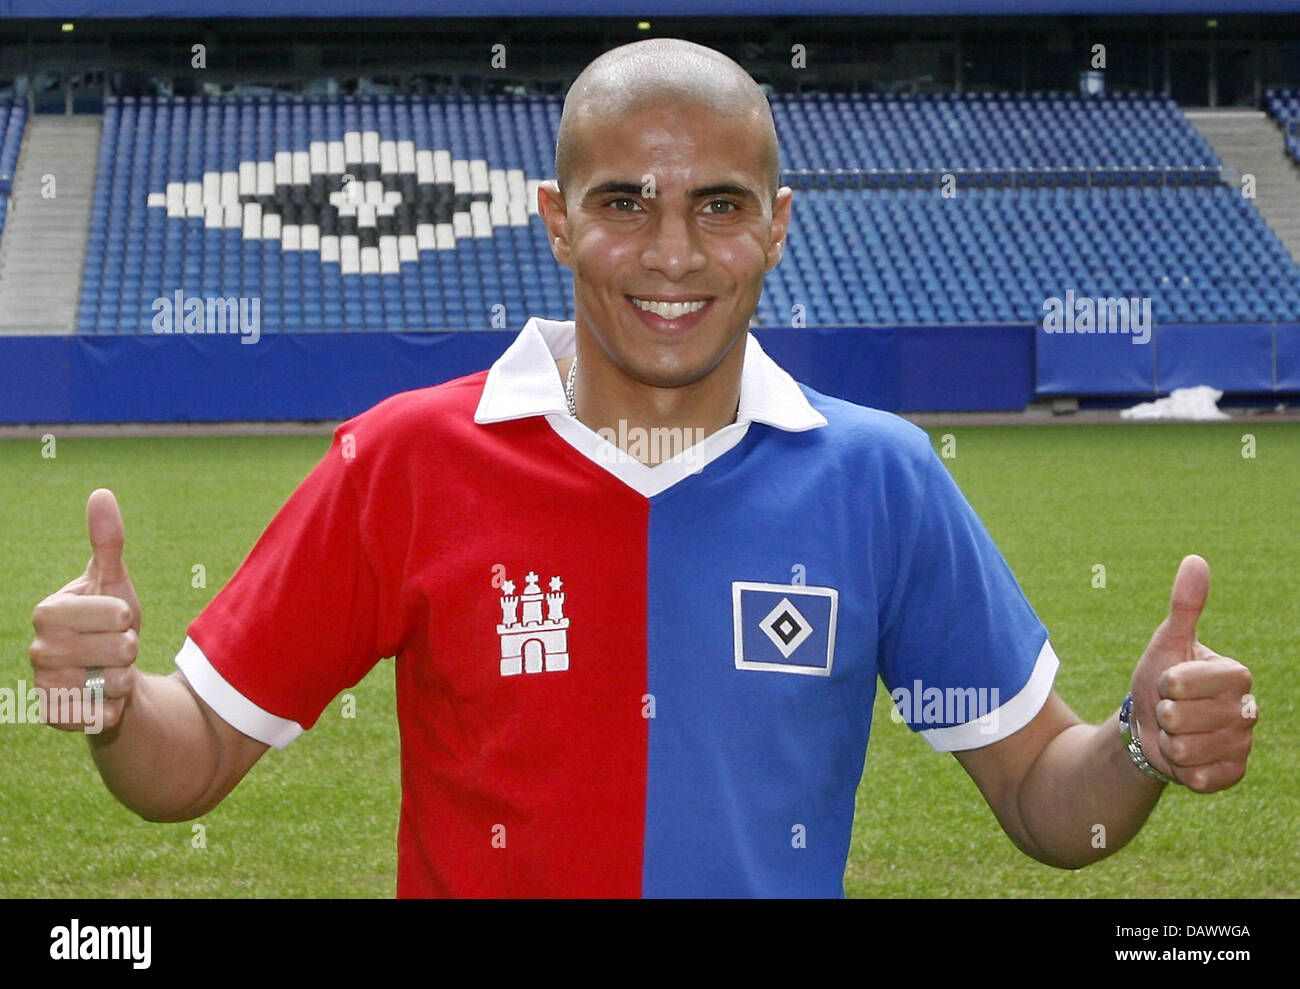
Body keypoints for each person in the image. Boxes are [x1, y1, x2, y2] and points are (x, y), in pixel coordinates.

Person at [29, 38, 1256, 898]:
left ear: (779, 223)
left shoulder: (880, 477)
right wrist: (118, 703)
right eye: (625, 201)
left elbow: (1050, 801)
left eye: (720, 205)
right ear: (556, 218)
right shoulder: (406, 459)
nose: (674, 252)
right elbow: (186, 768)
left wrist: (1140, 745)